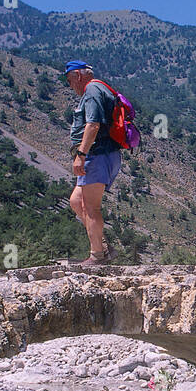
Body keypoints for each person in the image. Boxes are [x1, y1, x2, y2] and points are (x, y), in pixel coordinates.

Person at [64, 60, 122, 265]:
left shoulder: (91, 90)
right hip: (103, 154)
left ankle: (98, 256)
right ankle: (102, 246)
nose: (71, 86)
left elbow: (93, 124)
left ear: (78, 76)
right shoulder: (99, 88)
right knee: (76, 201)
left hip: (96, 155)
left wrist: (81, 154)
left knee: (90, 207)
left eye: (70, 81)